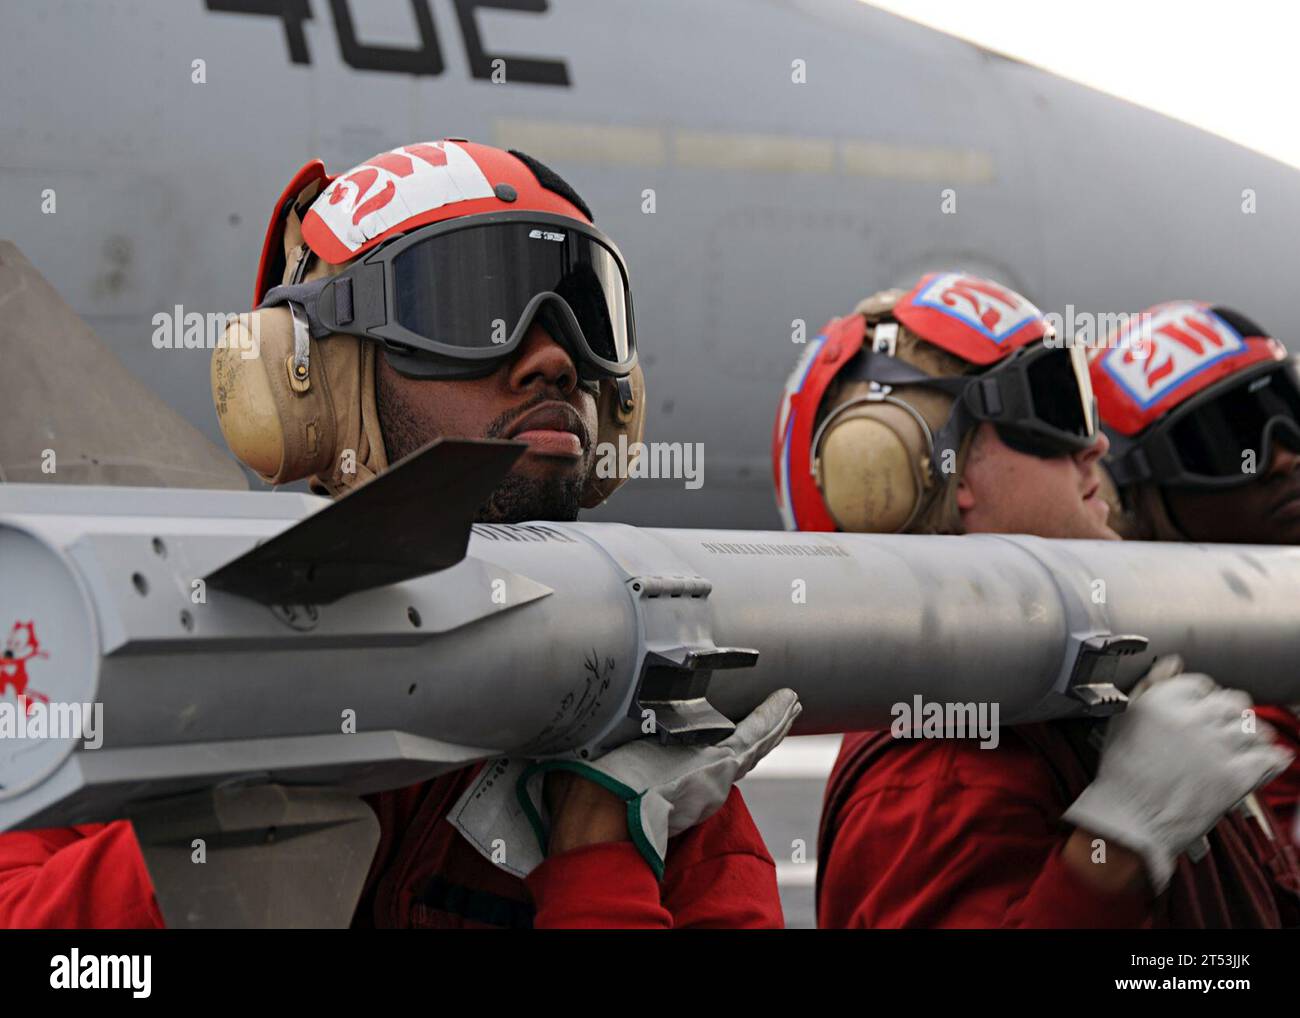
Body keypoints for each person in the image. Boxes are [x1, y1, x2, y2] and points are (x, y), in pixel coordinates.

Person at [0, 139, 795, 929]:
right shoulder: (124, 679)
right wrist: (245, 800)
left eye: (584, 317)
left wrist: (598, 863)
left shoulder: (651, 782)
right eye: (472, 313)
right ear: (312, 387)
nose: (552, 359)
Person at [772, 271, 1299, 927]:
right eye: (1054, 411)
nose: (1094, 446)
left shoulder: (1058, 702)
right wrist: (1113, 856)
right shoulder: (937, 772)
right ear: (940, 469)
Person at [1090, 300, 1300, 846]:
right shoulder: (1163, 708)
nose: (1280, 458)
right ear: (1132, 498)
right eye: (1229, 440)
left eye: (1289, 414)